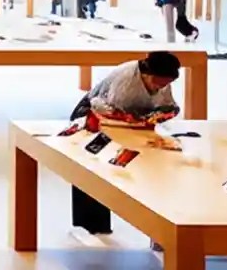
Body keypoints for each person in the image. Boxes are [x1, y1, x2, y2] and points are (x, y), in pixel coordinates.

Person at [68, 52, 181, 236]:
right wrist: (130, 119)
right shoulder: (127, 79)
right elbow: (101, 106)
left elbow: (167, 106)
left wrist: (160, 114)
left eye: (166, 84)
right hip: (96, 117)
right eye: (158, 83)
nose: (161, 87)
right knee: (96, 163)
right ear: (146, 73)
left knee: (150, 163)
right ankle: (93, 223)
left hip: (133, 124)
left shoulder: (161, 81)